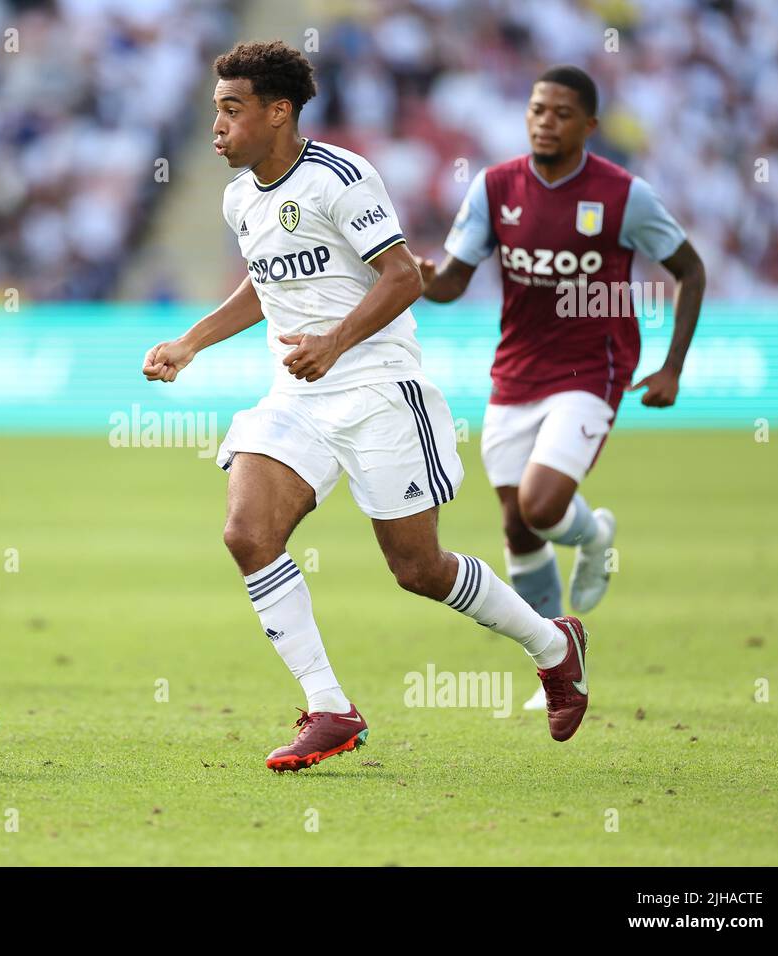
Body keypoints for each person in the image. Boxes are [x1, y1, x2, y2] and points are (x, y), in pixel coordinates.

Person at [143, 42, 591, 772]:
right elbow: (264, 283)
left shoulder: (342, 179)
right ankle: (330, 708)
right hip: (298, 394)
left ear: (278, 111)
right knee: (247, 532)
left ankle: (553, 644)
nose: (216, 128)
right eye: (214, 111)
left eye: (231, 110)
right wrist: (193, 342)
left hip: (379, 388)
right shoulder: (237, 197)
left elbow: (403, 276)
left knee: (417, 569)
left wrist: (336, 341)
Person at [419, 65, 704, 710]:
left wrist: (673, 366)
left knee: (542, 508)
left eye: (562, 113)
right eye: (538, 109)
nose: (547, 121)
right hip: (515, 370)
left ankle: (594, 536)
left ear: (589, 126)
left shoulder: (623, 194)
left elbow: (691, 269)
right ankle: (556, 667)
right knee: (517, 530)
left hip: (592, 368)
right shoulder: (496, 188)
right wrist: (408, 274)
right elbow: (454, 280)